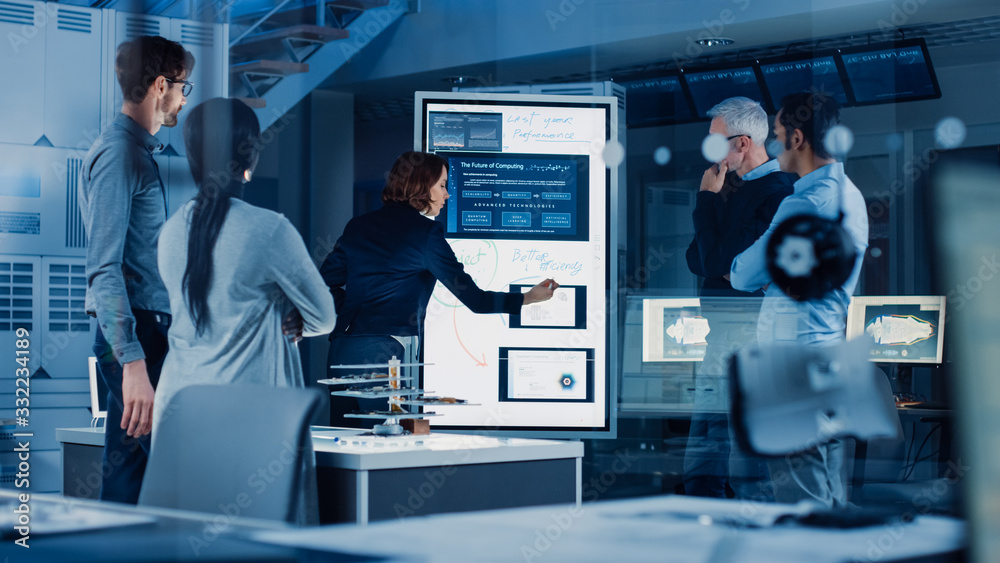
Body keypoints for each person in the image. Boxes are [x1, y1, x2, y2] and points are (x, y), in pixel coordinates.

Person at [321, 151, 558, 427]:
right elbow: (476, 300)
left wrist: (352, 309)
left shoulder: (358, 226)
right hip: (388, 351)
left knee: (343, 444)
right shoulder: (426, 234)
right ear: (422, 185)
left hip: (342, 350)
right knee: (390, 444)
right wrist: (526, 299)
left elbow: (323, 283)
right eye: (443, 185)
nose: (447, 196)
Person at [153, 97, 336, 430]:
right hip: (247, 416)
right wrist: (296, 320)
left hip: (177, 410)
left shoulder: (170, 231)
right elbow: (324, 317)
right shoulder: (268, 229)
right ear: (250, 153)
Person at [730, 91, 869, 508]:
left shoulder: (804, 202)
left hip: (793, 369)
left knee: (802, 501)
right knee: (829, 494)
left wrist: (758, 276)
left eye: (775, 135)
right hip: (826, 361)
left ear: (796, 138)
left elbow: (743, 273)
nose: (773, 146)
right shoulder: (850, 194)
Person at [79, 35, 194, 504]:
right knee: (184, 474)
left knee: (128, 476)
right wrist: (132, 362)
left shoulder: (137, 152)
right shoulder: (119, 155)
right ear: (160, 85)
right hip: (135, 338)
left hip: (143, 333)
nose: (185, 99)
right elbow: (103, 268)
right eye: (183, 87)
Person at [683, 97, 796, 500]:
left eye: (716, 144)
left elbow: (719, 262)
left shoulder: (779, 194)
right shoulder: (730, 188)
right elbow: (697, 259)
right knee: (704, 455)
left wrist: (706, 202)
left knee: (747, 461)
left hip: (749, 339)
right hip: (721, 338)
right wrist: (719, 255)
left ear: (743, 143)